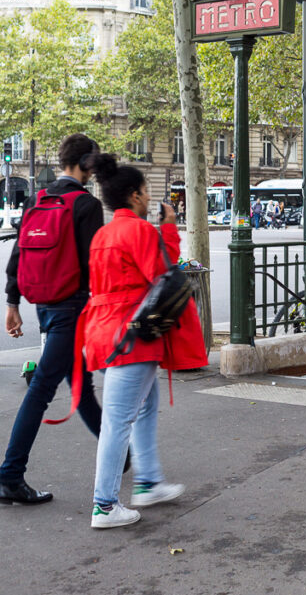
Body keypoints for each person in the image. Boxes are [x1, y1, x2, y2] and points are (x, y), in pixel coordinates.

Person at [83, 154, 206, 528]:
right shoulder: (139, 232)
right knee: (119, 421)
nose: (150, 197)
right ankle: (104, 504)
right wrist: (168, 229)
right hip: (132, 337)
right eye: (146, 191)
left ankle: (148, 481)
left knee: (144, 405)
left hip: (105, 333)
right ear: (135, 195)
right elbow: (164, 274)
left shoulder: (103, 234)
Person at [0, 133, 103, 506]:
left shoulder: (38, 199)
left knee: (81, 383)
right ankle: (10, 475)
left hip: (45, 305)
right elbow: (97, 264)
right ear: (86, 164)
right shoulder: (86, 205)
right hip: (71, 309)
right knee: (43, 388)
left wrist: (13, 302)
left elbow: (18, 252)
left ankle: (118, 452)